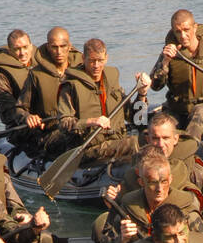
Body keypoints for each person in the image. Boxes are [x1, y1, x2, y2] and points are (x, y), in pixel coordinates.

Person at [97, 149, 203, 243]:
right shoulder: (127, 209)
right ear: (141, 182)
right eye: (152, 183)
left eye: (164, 181)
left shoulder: (187, 210)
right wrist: (122, 240)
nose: (159, 188)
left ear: (170, 179)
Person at [57, 38, 151, 167]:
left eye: (100, 61)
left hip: (116, 141)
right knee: (134, 143)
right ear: (83, 58)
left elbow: (137, 120)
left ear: (106, 58)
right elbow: (64, 124)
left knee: (151, 137)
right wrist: (92, 121)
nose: (96, 65)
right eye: (91, 60)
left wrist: (142, 93)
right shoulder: (70, 86)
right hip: (87, 149)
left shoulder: (112, 79)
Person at [149, 9, 203, 140]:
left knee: (199, 111)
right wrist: (165, 62)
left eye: (186, 30)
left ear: (195, 28)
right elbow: (155, 86)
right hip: (177, 108)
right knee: (162, 124)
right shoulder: (168, 53)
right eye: (178, 32)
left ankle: (190, 147)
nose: (183, 36)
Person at [15, 26, 83, 156]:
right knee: (72, 137)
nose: (59, 52)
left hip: (81, 127)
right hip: (50, 133)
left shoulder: (82, 70)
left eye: (63, 46)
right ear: (47, 47)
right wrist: (28, 117)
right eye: (54, 47)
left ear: (70, 46)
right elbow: (19, 109)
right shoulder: (35, 75)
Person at [0, 28, 39, 131]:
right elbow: (8, 109)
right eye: (17, 49)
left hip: (46, 119)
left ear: (31, 47)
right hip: (19, 127)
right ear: (10, 51)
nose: (22, 53)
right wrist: (26, 117)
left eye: (25, 47)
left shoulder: (43, 65)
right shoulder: (0, 77)